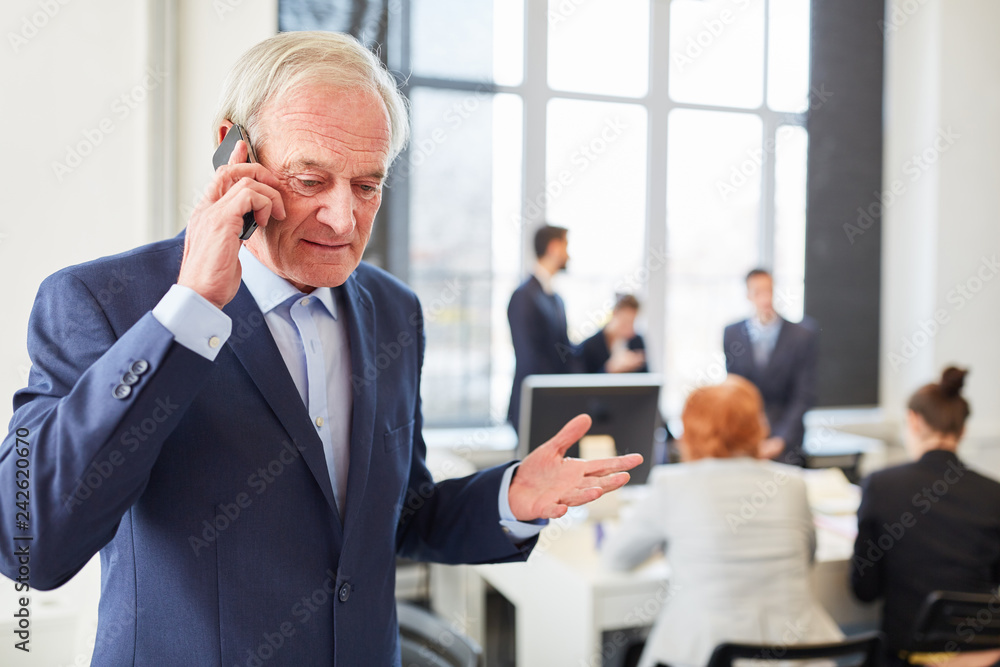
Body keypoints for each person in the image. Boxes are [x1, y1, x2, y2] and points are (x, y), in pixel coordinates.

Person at [0, 32, 641, 665]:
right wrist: (188, 311)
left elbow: (400, 515)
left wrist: (508, 499)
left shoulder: (394, 312)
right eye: (310, 179)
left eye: (368, 186)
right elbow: (31, 542)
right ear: (232, 148)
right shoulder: (100, 301)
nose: (343, 219)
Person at [601, 376, 842, 667]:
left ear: (690, 432)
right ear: (757, 426)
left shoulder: (672, 485)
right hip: (797, 657)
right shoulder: (792, 483)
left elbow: (616, 559)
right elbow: (808, 558)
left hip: (704, 655)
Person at [851, 367, 1000, 666]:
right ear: (963, 431)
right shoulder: (994, 493)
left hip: (908, 656)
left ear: (914, 421)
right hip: (986, 657)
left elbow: (864, 590)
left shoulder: (882, 486)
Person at [724, 268, 818, 465]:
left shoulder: (802, 335)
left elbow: (804, 395)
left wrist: (780, 440)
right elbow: (734, 390)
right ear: (748, 295)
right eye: (758, 292)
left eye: (769, 291)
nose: (765, 298)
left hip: (787, 439)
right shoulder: (732, 334)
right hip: (746, 437)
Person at [507, 224, 580, 428]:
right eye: (566, 247)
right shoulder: (523, 296)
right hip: (533, 406)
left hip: (553, 404)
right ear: (554, 248)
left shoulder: (556, 299)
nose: (569, 255)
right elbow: (529, 358)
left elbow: (565, 351)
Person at [579, 294, 648, 374]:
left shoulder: (636, 341)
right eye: (625, 322)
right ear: (615, 313)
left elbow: (647, 379)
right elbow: (585, 382)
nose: (630, 329)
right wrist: (609, 369)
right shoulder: (590, 346)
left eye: (632, 323)